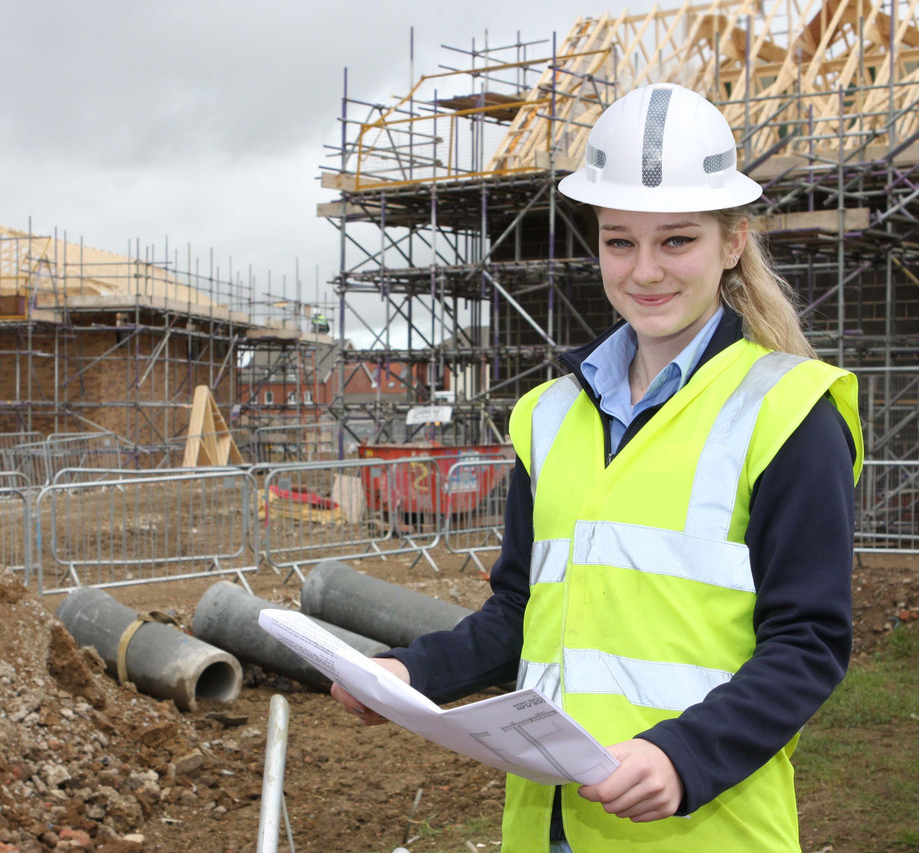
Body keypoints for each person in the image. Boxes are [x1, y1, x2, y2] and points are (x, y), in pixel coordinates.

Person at [331, 82, 863, 852]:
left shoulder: (789, 411)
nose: (645, 271)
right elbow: (521, 611)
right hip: (549, 823)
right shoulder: (548, 416)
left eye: (676, 241)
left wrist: (682, 755)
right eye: (620, 241)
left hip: (701, 830)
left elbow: (808, 640)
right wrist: (410, 674)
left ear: (733, 242)